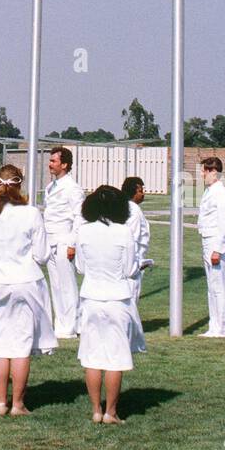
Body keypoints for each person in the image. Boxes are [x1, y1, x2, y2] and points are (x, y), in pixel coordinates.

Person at [0, 165, 54, 416]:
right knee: (21, 346)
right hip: (25, 282)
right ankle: (18, 404)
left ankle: (1, 403)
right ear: (20, 184)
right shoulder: (31, 214)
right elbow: (41, 255)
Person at [76, 185, 139, 424]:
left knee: (92, 357)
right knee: (115, 358)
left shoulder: (83, 231)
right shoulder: (124, 232)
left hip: (91, 298)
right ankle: (111, 412)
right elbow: (130, 269)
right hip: (117, 299)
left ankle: (96, 410)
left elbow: (80, 267)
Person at [43, 146, 85, 338]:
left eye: (54, 161)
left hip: (64, 240)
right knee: (56, 286)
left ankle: (71, 326)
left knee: (67, 286)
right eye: (50, 161)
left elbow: (79, 218)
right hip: (50, 240)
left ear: (64, 164)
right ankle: (60, 324)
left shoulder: (73, 188)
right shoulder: (50, 187)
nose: (50, 164)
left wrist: (72, 244)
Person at [197, 156, 225, 337]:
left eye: (205, 171)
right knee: (212, 287)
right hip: (208, 239)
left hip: (215, 241)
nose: (202, 174)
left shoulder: (220, 194)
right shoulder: (210, 191)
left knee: (219, 287)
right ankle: (214, 326)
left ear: (214, 171)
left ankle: (221, 328)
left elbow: (223, 222)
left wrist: (217, 249)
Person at [120, 175, 151, 353]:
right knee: (130, 300)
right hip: (132, 263)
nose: (143, 194)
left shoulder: (128, 208)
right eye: (140, 191)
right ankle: (129, 340)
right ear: (133, 192)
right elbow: (130, 239)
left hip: (133, 261)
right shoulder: (133, 211)